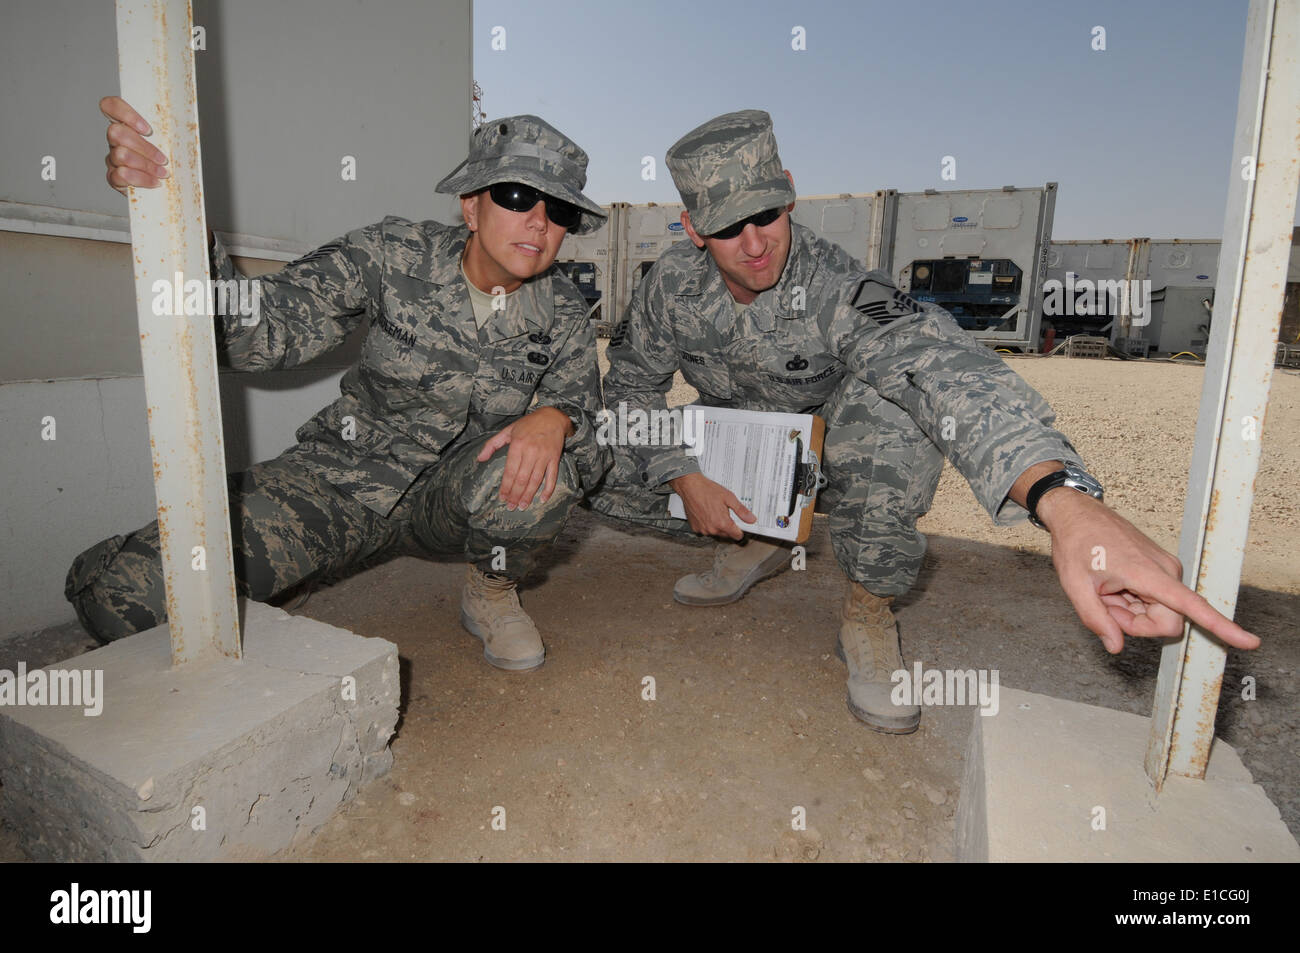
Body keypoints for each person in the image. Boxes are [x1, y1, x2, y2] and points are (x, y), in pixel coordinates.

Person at [590, 109, 1259, 732]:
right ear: (692, 226)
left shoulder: (847, 286)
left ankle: (867, 614)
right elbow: (628, 389)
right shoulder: (666, 287)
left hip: (832, 448)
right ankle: (756, 539)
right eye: (729, 225)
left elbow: (940, 364)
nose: (756, 242)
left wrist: (1061, 499)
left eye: (766, 212)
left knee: (895, 417)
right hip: (741, 448)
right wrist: (681, 475)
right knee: (597, 453)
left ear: (789, 191)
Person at [68, 99, 611, 672]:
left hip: (453, 502)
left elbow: (593, 442)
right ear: (471, 206)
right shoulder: (389, 255)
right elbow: (257, 333)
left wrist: (559, 418)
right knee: (124, 599)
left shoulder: (564, 311)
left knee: (543, 477)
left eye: (560, 212)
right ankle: (284, 563)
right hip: (345, 481)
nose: (539, 221)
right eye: (520, 196)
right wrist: (178, 219)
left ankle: (491, 590)